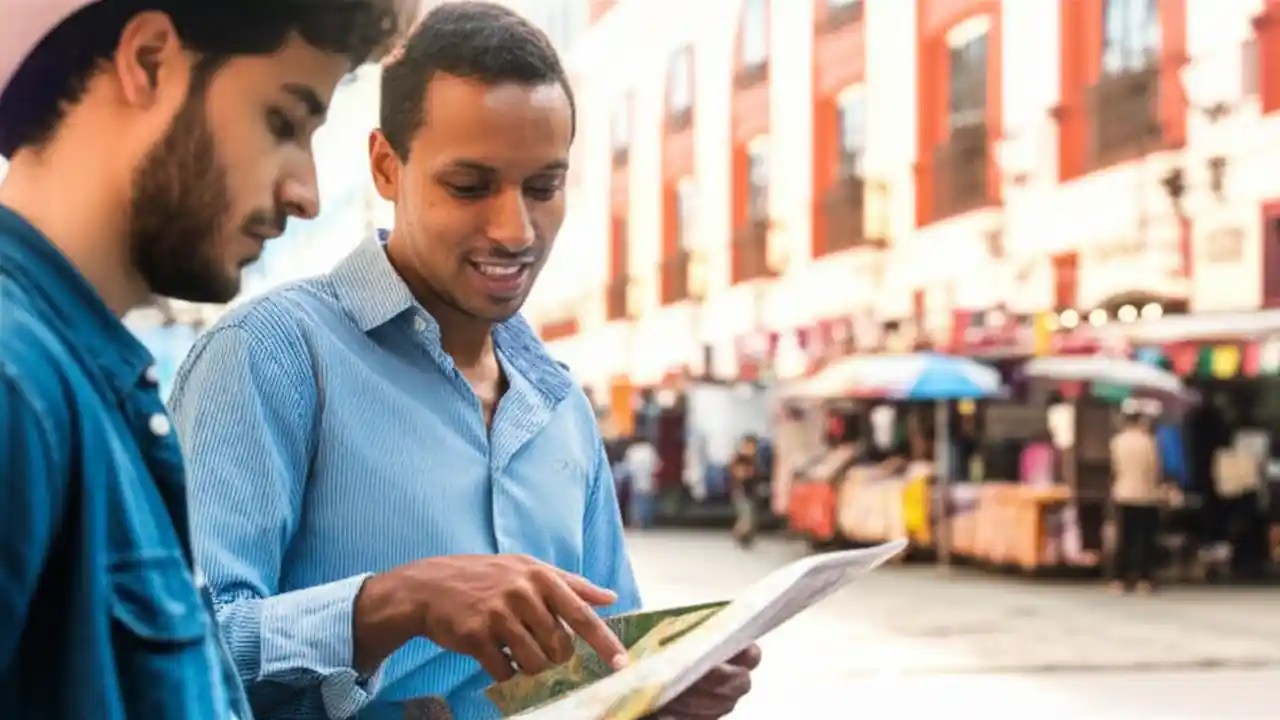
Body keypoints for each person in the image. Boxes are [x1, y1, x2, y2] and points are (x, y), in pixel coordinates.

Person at [167, 3, 761, 718]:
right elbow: (173, 653)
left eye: (543, 187)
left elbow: (603, 667)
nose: (515, 230)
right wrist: (395, 602)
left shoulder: (559, 405)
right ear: (387, 167)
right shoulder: (269, 357)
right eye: (470, 186)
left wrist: (658, 692)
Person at [0, 1, 397, 718]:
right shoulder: (16, 381)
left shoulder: (88, 385)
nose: (304, 193)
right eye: (282, 121)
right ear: (150, 62)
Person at [1109, 406, 1164, 595]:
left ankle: (1119, 580)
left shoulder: (1117, 441)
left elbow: (1114, 468)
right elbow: (1156, 469)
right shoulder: (1149, 441)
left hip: (1123, 493)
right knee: (1144, 540)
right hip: (1146, 495)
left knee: (1124, 538)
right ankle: (1143, 580)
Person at [728, 434, 763, 548]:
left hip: (751, 492)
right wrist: (745, 473)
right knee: (746, 515)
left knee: (752, 516)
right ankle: (739, 534)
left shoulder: (753, 460)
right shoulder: (739, 459)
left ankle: (746, 537)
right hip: (741, 492)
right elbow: (737, 474)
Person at [623, 435, 661, 529]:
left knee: (636, 501)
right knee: (647, 500)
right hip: (648, 477)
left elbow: (627, 466)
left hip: (635, 478)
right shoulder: (649, 449)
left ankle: (636, 521)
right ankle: (647, 521)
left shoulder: (632, 450)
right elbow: (657, 465)